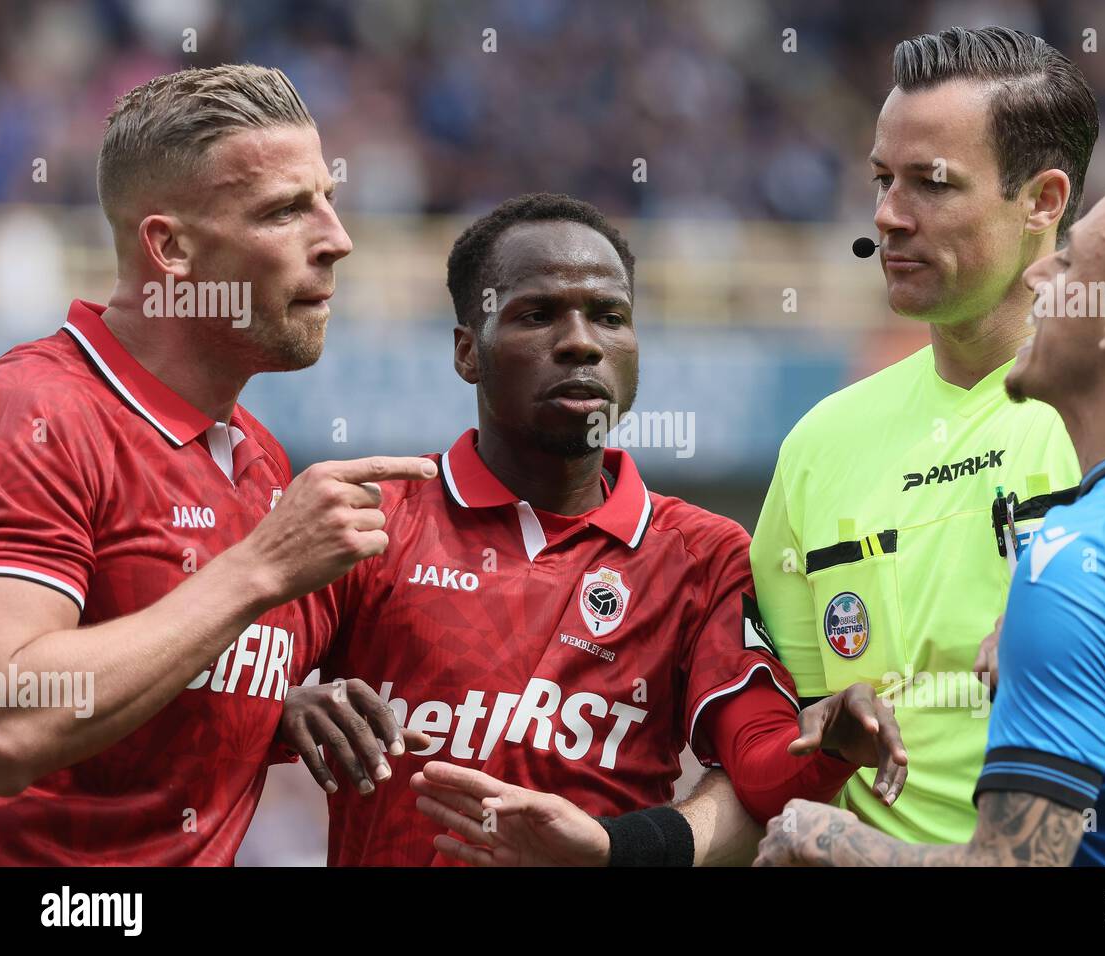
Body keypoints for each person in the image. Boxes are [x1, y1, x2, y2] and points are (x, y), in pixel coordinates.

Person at [749, 25, 1105, 847]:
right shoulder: (817, 447)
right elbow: (783, 749)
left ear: (1043, 201)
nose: (888, 216)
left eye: (931, 183)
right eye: (881, 179)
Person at [279, 193, 906, 867]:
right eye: (538, 314)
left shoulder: (702, 556)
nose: (581, 341)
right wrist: (282, 706)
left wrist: (829, 748)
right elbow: (225, 692)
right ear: (468, 352)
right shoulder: (375, 520)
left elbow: (759, 774)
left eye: (610, 316)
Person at [0, 64, 433, 864]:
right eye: (286, 211)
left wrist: (268, 704)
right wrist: (256, 570)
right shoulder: (34, 414)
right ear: (172, 247)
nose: (337, 239)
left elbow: (149, 657)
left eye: (326, 198)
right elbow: (9, 718)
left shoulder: (258, 460)